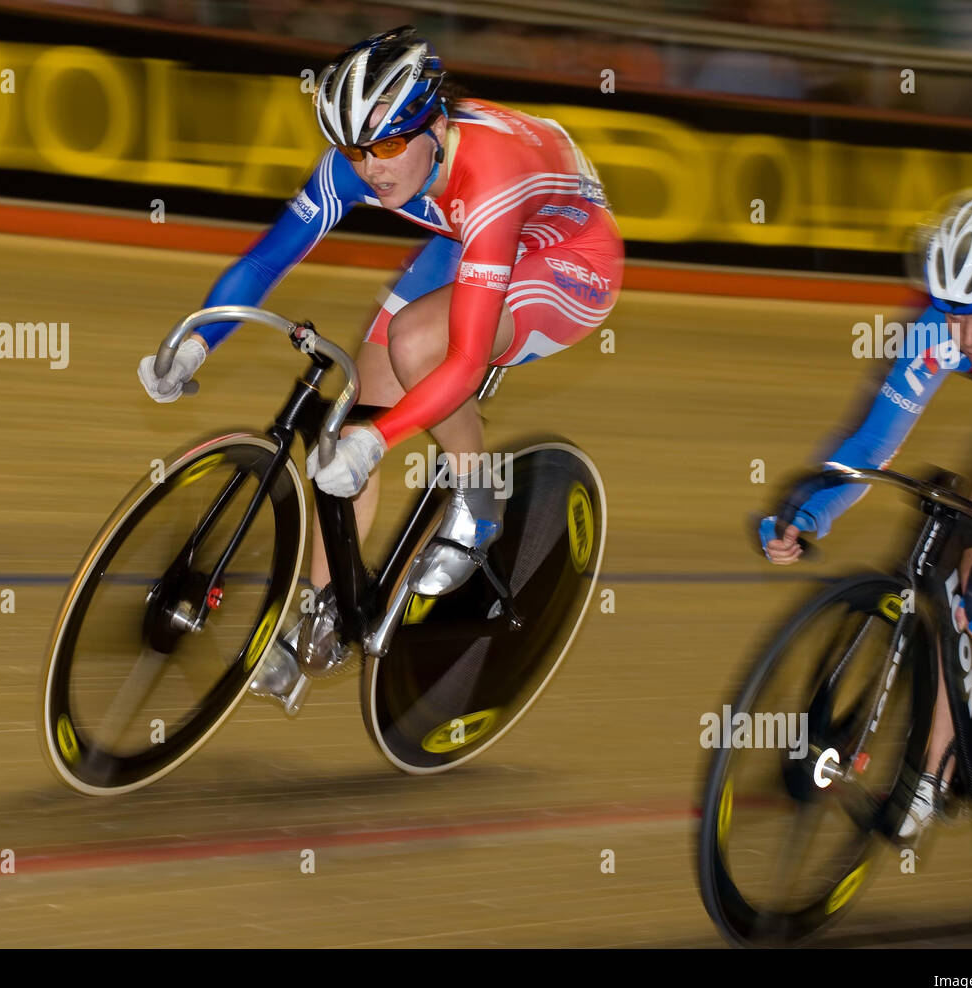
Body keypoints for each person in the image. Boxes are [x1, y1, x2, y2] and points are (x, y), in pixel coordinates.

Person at [138, 25, 623, 706]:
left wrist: (379, 442)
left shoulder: (487, 173)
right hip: (472, 234)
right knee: (356, 404)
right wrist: (195, 343)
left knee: (419, 346)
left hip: (570, 256)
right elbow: (266, 260)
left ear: (432, 126)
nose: (371, 167)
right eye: (355, 149)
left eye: (389, 145)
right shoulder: (366, 160)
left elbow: (459, 358)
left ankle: (479, 497)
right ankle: (321, 607)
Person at [759, 185, 972, 841]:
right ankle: (935, 770)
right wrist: (810, 511)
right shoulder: (953, 320)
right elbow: (872, 444)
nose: (966, 339)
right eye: (953, 317)